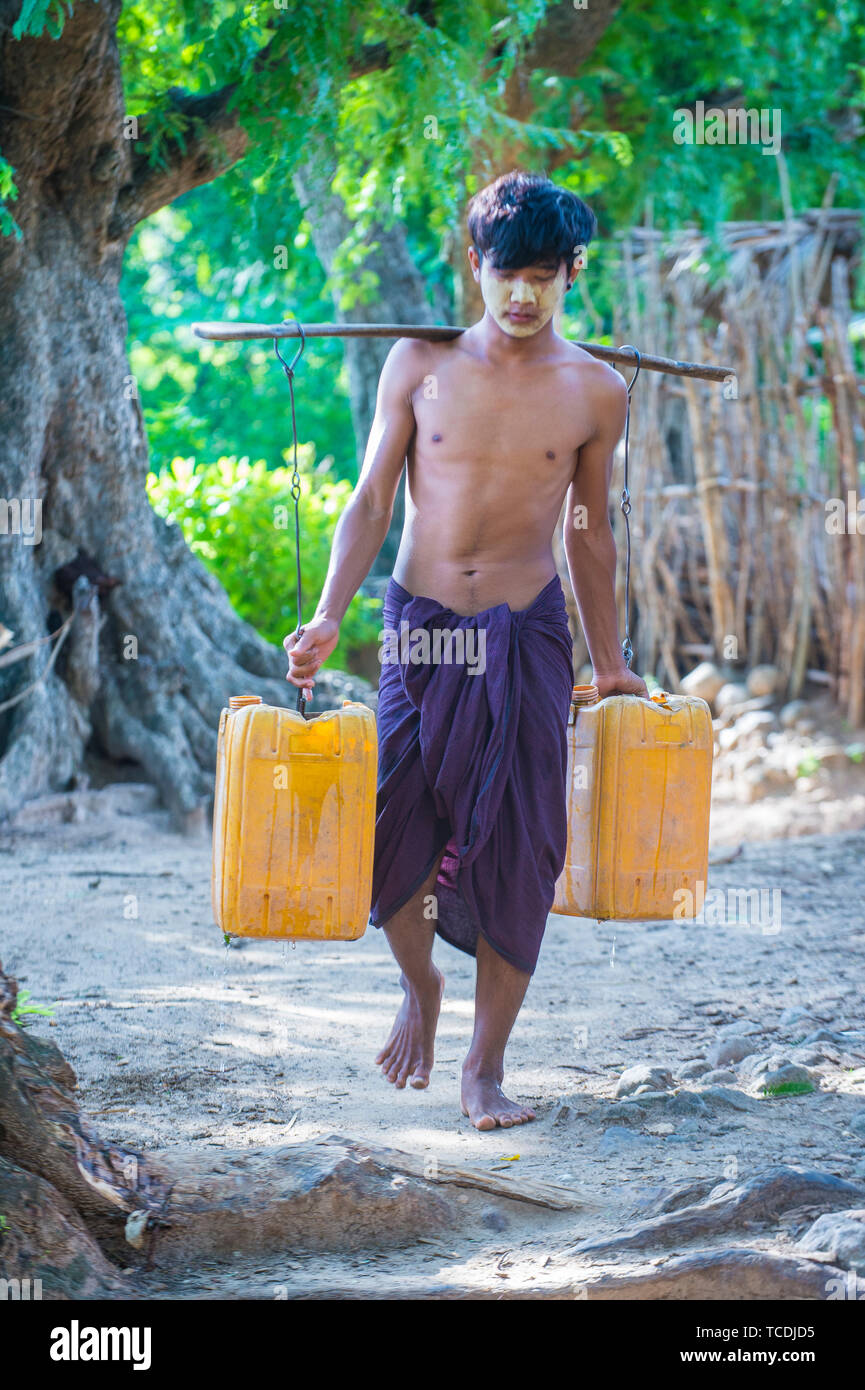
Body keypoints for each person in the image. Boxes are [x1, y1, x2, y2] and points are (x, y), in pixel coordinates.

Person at [284, 170, 648, 1131]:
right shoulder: (417, 363)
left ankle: (483, 1070)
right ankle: (419, 986)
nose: (522, 295)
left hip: (527, 631)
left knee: (524, 838)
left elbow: (588, 532)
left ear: (572, 272)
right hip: (421, 630)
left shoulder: (596, 391)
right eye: (504, 273)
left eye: (542, 274)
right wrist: (328, 616)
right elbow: (368, 501)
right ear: (473, 266)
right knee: (396, 823)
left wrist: (608, 661)